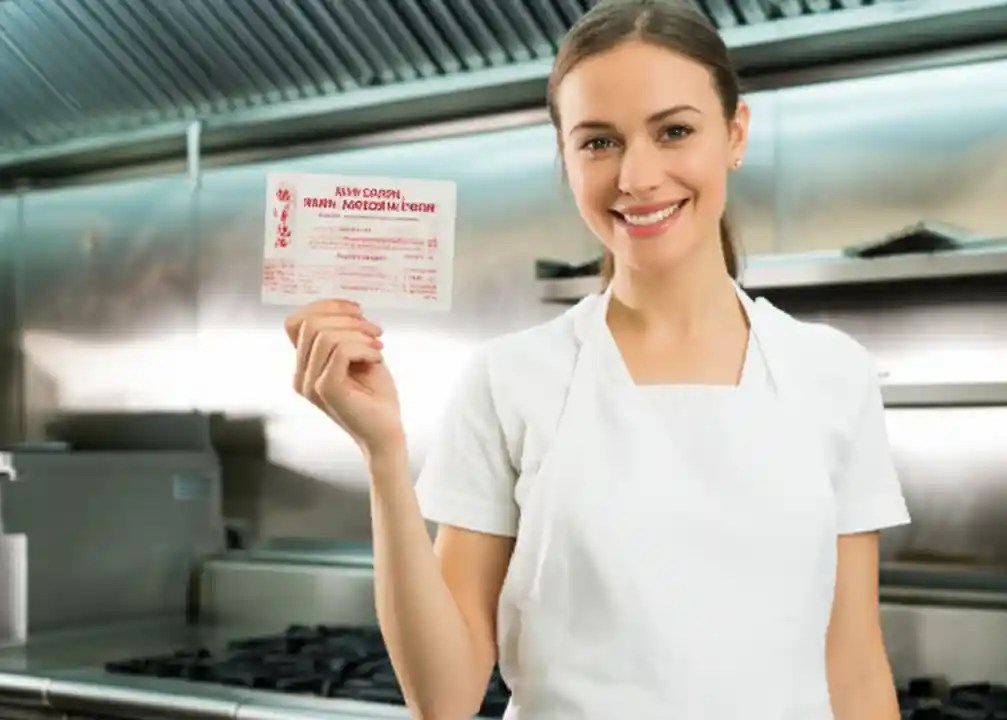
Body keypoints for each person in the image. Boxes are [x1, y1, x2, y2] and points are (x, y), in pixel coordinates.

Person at [284, 0, 911, 718]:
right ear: (566, 156)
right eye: (598, 142)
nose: (637, 177)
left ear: (735, 134)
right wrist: (383, 457)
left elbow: (856, 669)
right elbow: (445, 699)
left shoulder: (832, 373)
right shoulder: (509, 380)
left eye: (674, 131)